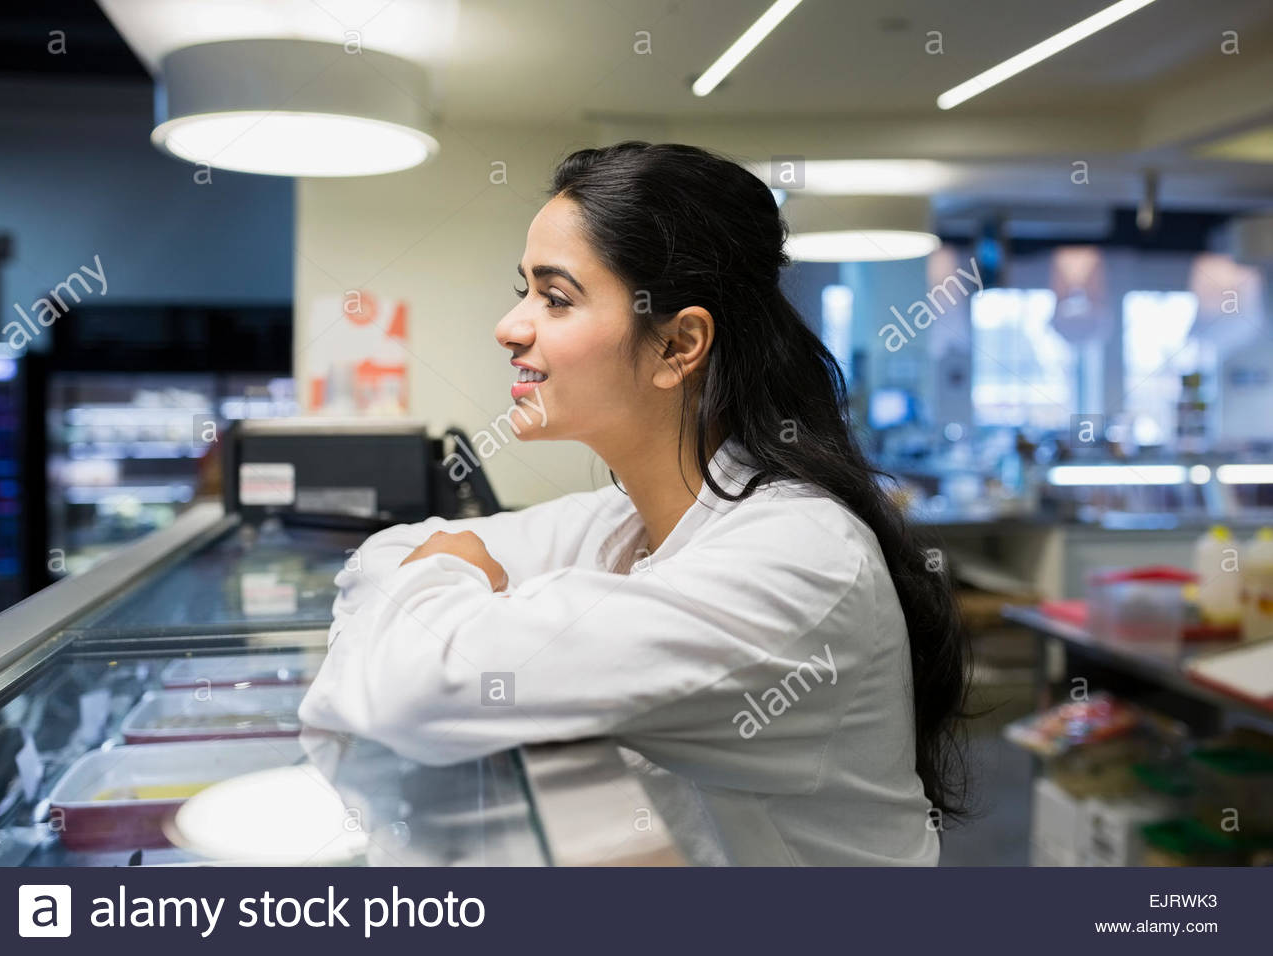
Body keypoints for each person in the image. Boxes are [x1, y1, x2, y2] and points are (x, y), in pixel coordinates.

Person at [298, 141, 970, 865]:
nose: (510, 327)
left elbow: (412, 693)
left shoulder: (799, 555)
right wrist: (455, 594)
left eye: (555, 298)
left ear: (677, 345)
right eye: (523, 290)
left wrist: (454, 586)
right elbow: (380, 557)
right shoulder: (626, 518)